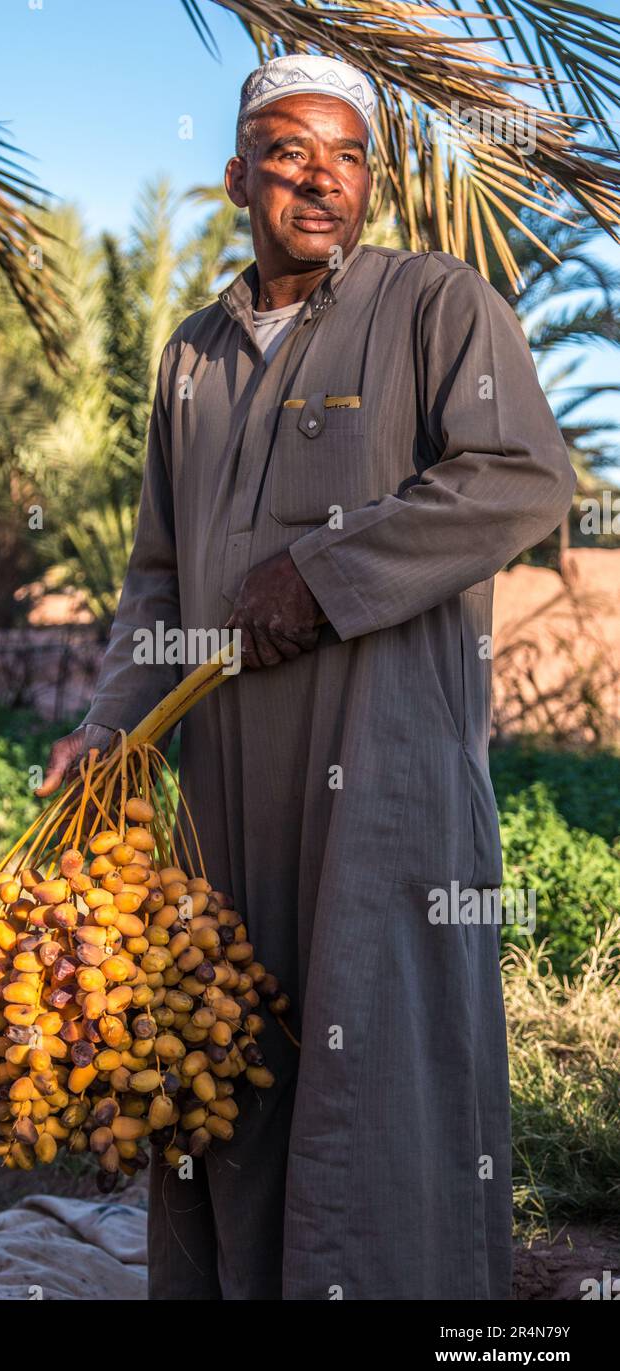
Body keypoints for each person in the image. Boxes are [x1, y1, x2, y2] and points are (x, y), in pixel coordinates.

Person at [41, 54, 576, 1300]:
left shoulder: (434, 302)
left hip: (382, 770)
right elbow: (157, 575)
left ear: (372, 181)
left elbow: (518, 476)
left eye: (344, 155)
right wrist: (112, 724)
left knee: (375, 1057)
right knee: (222, 1050)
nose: (318, 177)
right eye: (287, 152)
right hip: (220, 789)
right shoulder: (191, 355)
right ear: (237, 174)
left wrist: (321, 571)